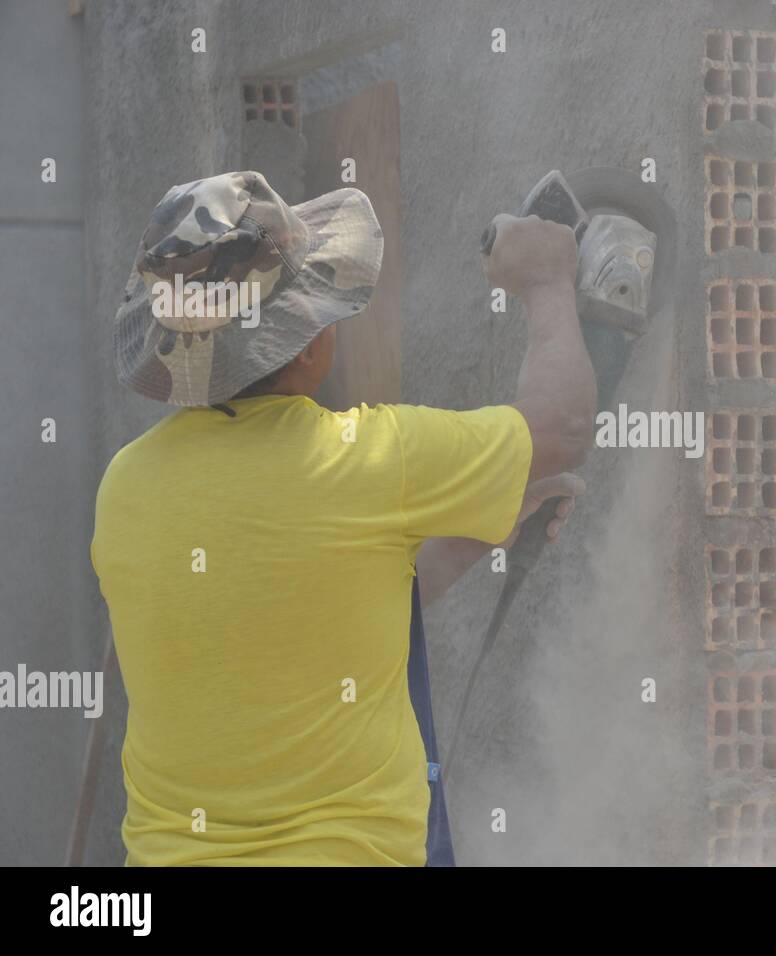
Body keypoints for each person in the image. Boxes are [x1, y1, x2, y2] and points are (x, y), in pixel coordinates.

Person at [91, 170, 594, 865]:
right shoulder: (362, 461)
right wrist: (546, 283)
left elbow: (323, 601)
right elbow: (561, 427)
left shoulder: (125, 488)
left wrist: (486, 531)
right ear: (305, 341)